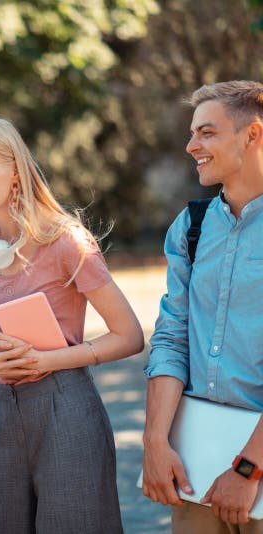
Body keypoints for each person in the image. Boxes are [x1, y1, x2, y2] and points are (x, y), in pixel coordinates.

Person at [0, 117, 144, 533]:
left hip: (66, 411)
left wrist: (49, 360)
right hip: (4, 413)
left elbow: (130, 335)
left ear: (14, 170)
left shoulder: (67, 241)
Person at [143, 80, 263, 532]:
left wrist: (248, 469)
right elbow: (171, 336)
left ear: (252, 135)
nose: (192, 146)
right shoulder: (190, 227)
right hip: (196, 465)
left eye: (207, 133)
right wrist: (155, 440)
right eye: (193, 133)